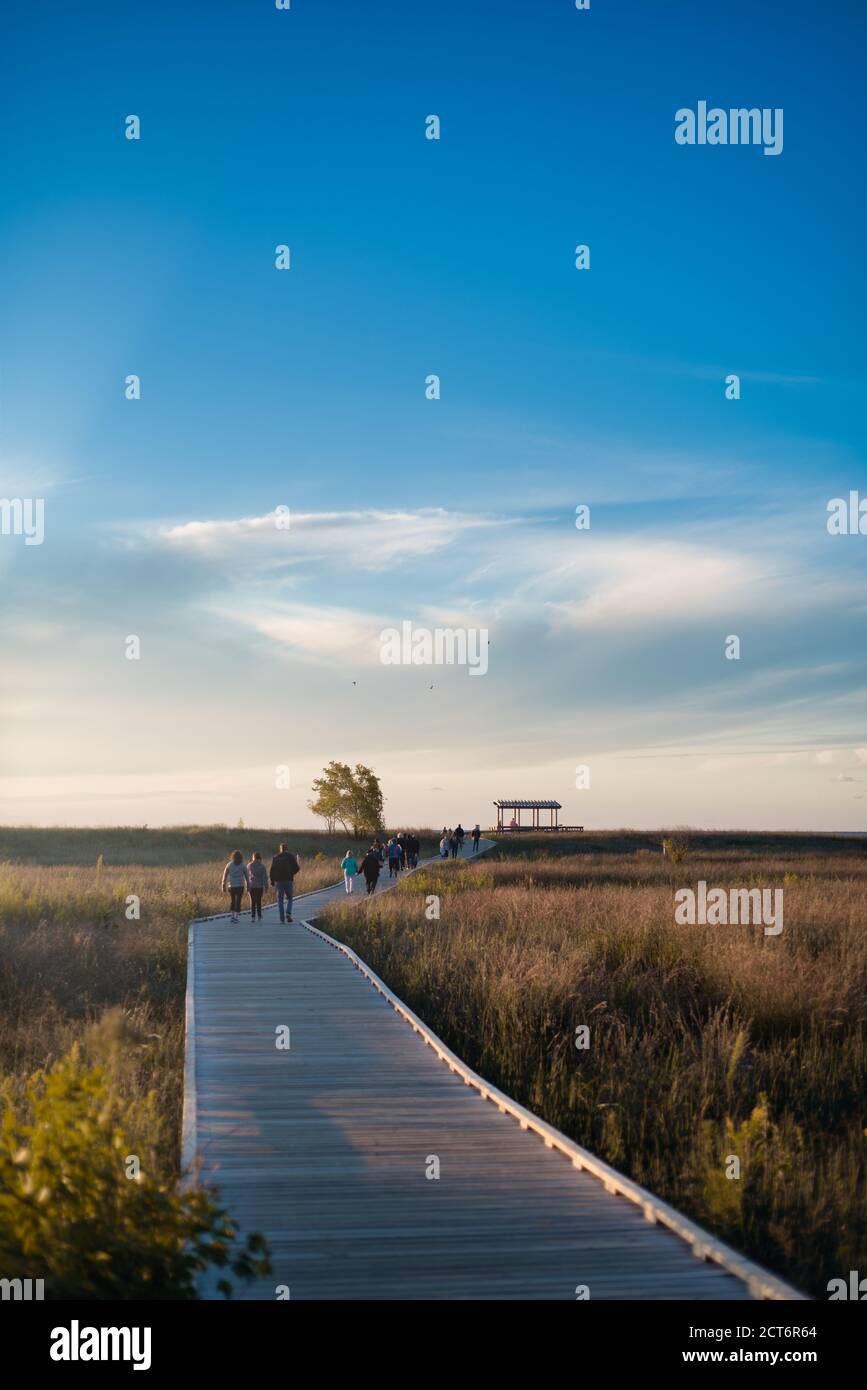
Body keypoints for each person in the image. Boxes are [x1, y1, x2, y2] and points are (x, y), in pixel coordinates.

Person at [269, 842, 300, 923]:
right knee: (290, 898)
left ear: (280, 849)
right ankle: (288, 913)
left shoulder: (275, 857)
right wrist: (291, 873)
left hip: (278, 881)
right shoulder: (290, 856)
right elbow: (297, 868)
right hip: (288, 880)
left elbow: (271, 870)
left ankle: (282, 918)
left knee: (280, 900)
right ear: (287, 849)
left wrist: (272, 881)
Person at [221, 849, 249, 923]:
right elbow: (247, 877)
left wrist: (223, 885)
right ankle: (236, 917)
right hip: (240, 886)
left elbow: (225, 875)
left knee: (233, 900)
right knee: (238, 901)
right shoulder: (243, 865)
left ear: (232, 857)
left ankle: (232, 916)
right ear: (241, 857)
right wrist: (248, 886)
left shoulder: (229, 864)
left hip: (231, 886)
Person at [247, 851, 268, 919]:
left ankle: (253, 915)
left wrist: (247, 885)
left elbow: (246, 876)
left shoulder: (249, 865)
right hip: (259, 886)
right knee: (259, 901)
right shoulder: (262, 866)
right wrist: (266, 886)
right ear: (259, 858)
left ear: (253, 857)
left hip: (251, 885)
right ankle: (259, 915)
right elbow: (265, 877)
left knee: (252, 901)